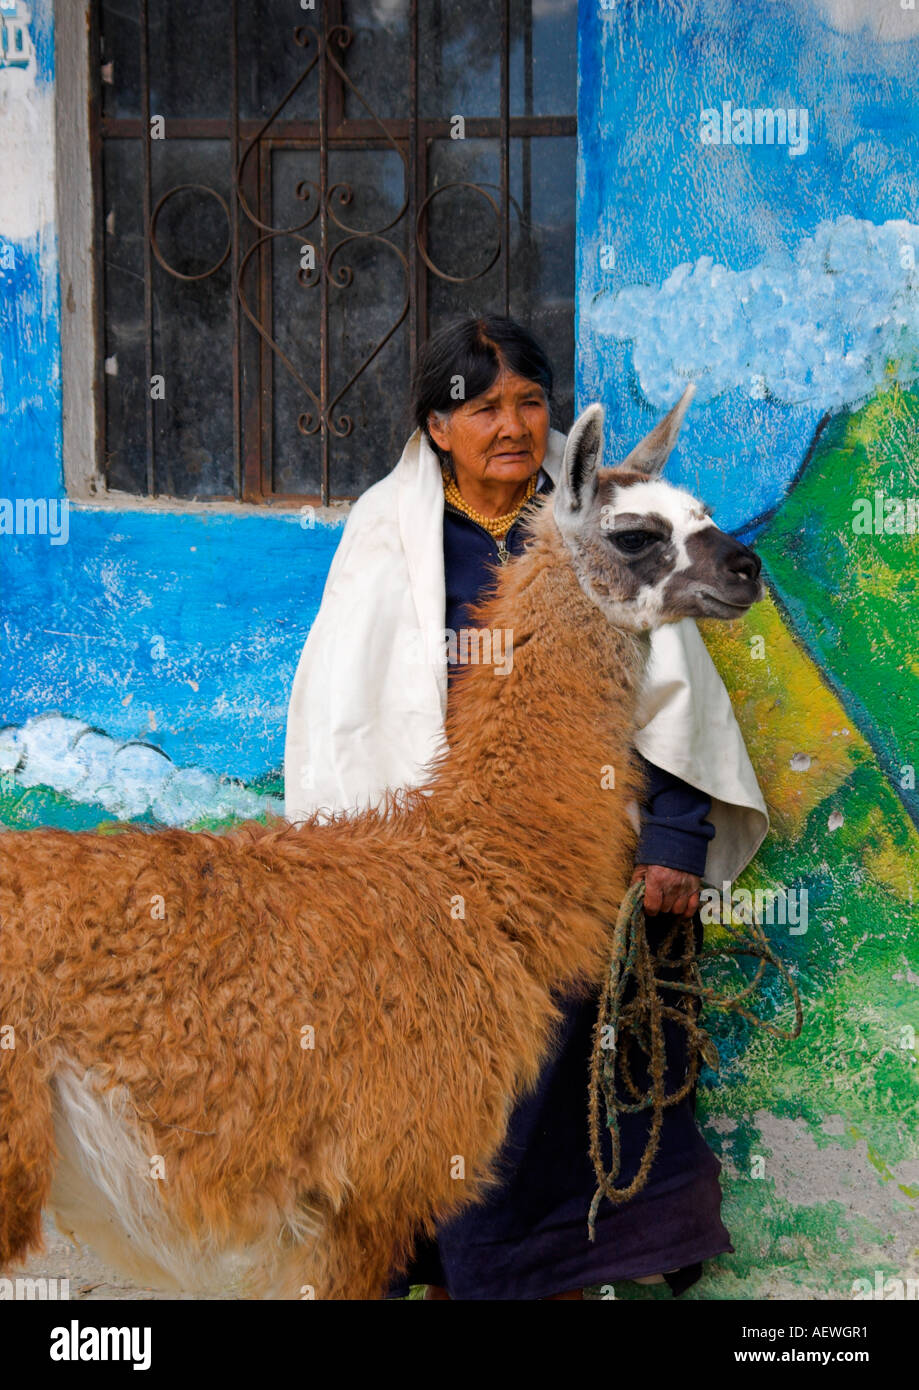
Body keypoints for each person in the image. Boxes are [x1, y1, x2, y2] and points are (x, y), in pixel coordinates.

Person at [284, 314, 769, 1300]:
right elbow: (347, 708)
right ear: (436, 425)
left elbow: (669, 694)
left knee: (564, 1087)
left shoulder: (607, 523)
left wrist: (673, 836)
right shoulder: (389, 535)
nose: (510, 424)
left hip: (575, 869)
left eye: (529, 401)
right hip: (423, 874)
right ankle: (439, 1266)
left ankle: (549, 1273)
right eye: (481, 405)